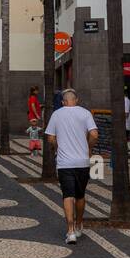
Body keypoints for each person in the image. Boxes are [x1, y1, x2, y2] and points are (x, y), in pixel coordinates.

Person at [44, 88, 99, 245]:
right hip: (82, 161)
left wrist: (57, 146)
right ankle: (79, 224)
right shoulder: (85, 113)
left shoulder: (57, 114)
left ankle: (70, 231)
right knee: (80, 195)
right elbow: (94, 134)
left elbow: (50, 138)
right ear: (76, 100)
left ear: (63, 102)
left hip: (64, 163)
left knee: (68, 195)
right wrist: (89, 149)